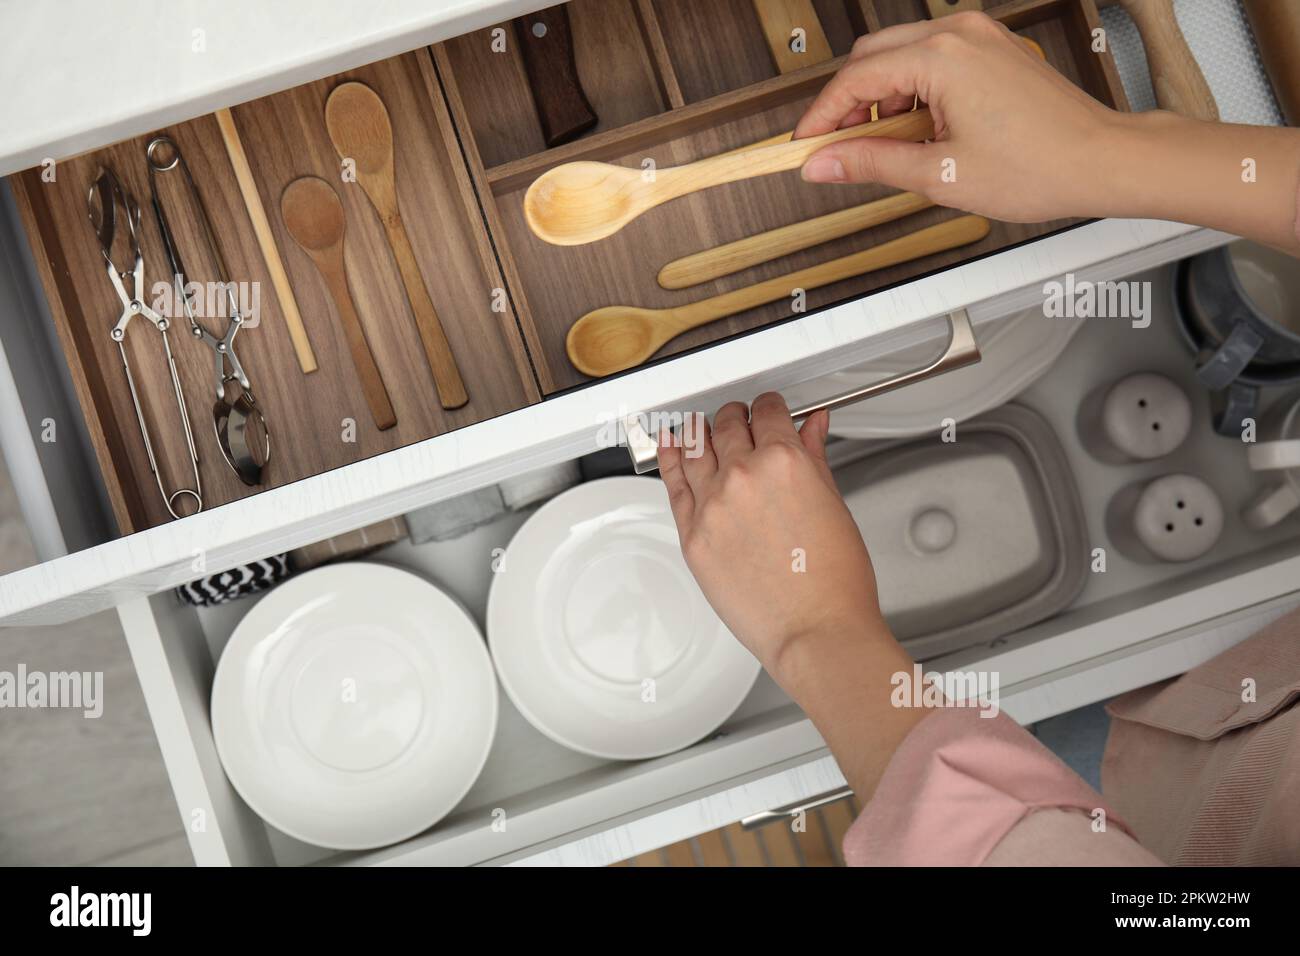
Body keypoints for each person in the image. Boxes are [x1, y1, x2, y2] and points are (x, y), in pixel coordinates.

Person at [658, 12, 1300, 866]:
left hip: (1190, 779)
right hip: (1217, 731)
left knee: (1086, 742)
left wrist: (817, 633)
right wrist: (1108, 152)